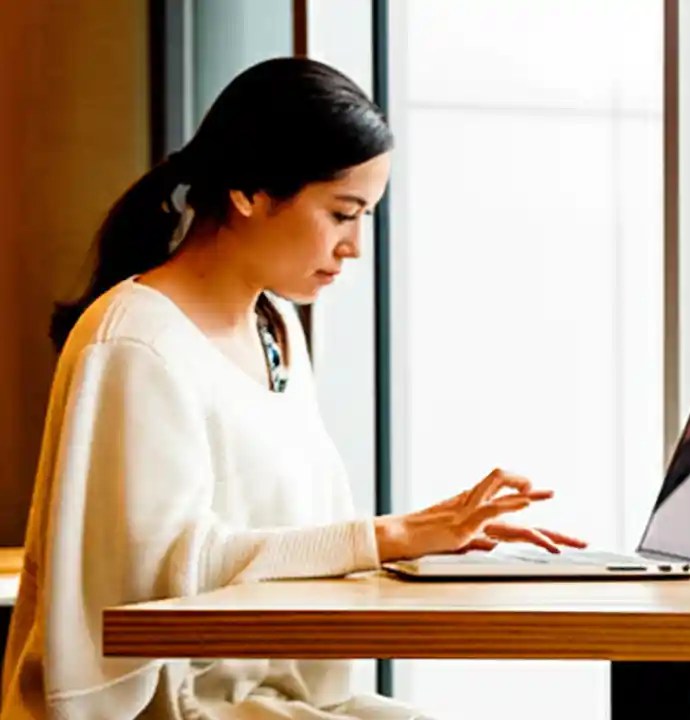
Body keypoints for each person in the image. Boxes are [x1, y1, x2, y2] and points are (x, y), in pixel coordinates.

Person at [0, 57, 585, 720]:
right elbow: (155, 576)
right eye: (342, 214)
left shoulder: (274, 327)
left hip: (264, 696)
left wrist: (425, 545)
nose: (354, 246)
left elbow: (296, 540)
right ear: (250, 191)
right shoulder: (138, 342)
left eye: (366, 217)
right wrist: (391, 537)